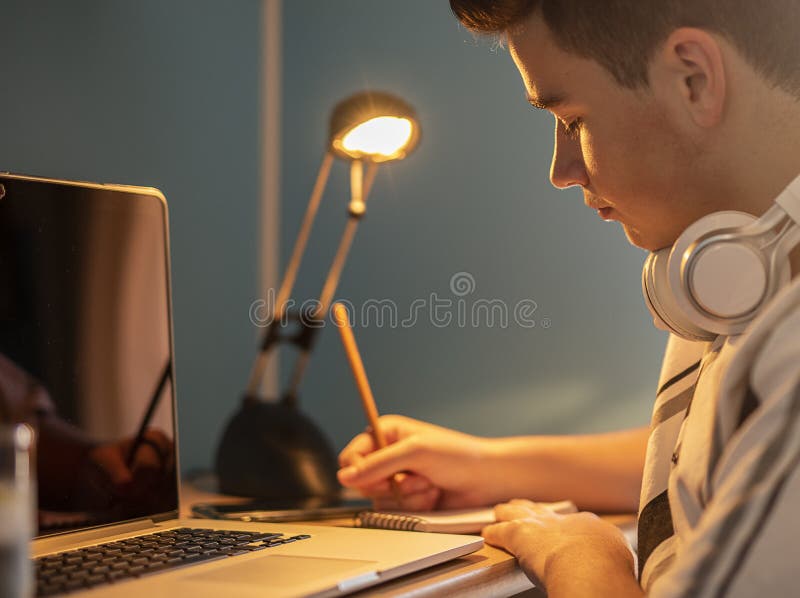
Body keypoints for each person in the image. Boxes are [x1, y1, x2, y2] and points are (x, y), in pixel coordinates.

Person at [337, 1, 800, 596]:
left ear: (694, 78)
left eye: (572, 119)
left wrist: (586, 565)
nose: (562, 169)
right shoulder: (738, 278)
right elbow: (738, 458)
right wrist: (488, 466)